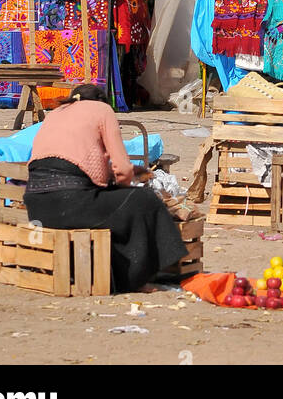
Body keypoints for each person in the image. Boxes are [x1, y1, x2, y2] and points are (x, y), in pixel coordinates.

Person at [24, 83, 185, 292]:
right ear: (101, 100)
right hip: (71, 201)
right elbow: (123, 169)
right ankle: (146, 275)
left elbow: (79, 164)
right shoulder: (103, 110)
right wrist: (126, 185)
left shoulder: (56, 113)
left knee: (115, 206)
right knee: (143, 200)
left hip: (38, 207)